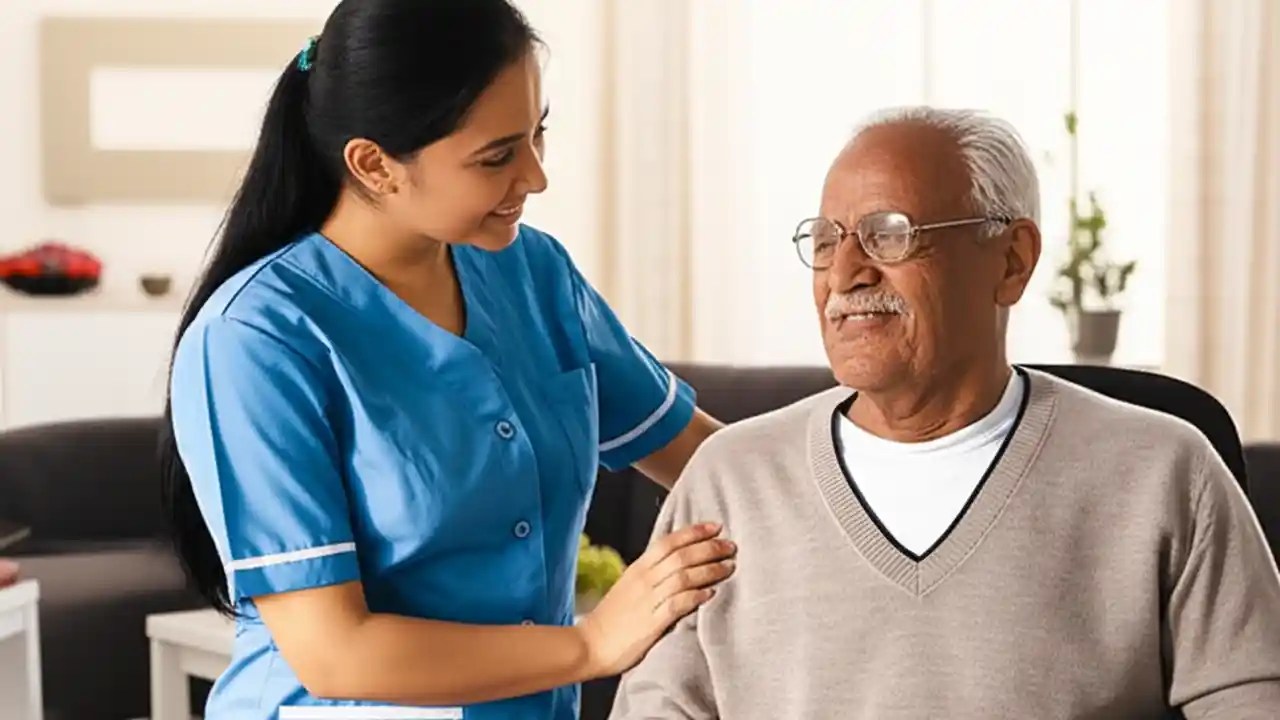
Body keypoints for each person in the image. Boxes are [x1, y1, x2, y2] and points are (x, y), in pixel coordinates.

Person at [158, 2, 737, 718]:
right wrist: (591, 644)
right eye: (496, 156)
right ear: (374, 165)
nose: (535, 176)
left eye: (538, 134)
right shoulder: (256, 337)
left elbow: (706, 457)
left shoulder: (535, 274)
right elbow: (335, 652)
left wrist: (859, 457)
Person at [608, 106, 1280, 719]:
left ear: (1011, 261)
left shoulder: (1165, 472)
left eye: (889, 236)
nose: (844, 275)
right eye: (827, 241)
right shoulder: (727, 481)